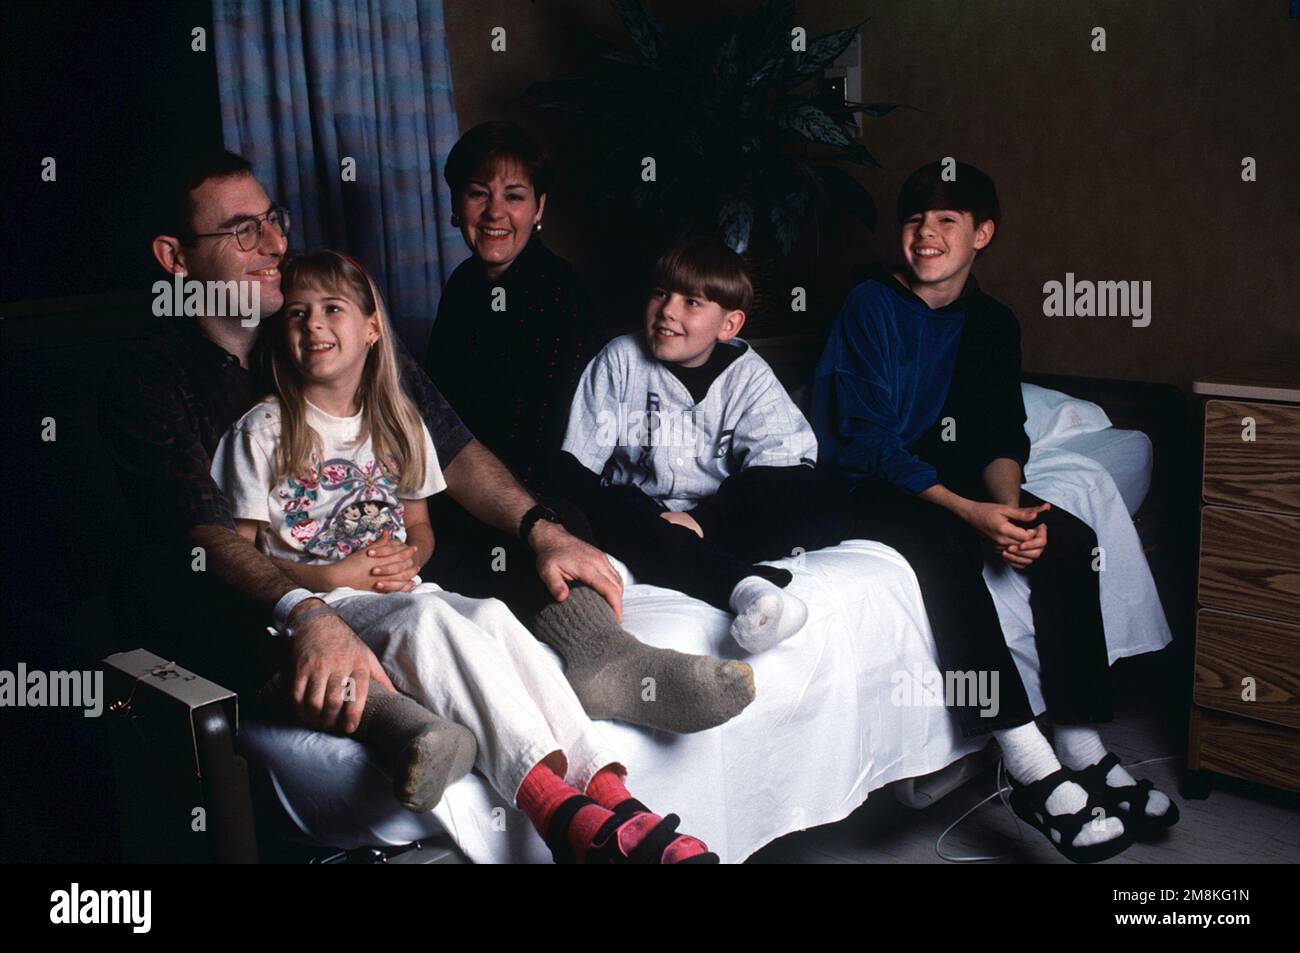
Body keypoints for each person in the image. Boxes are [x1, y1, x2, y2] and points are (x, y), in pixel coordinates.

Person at [98, 148, 623, 750]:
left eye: (275, 220)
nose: (274, 245)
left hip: (371, 555)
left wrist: (539, 529)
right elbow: (207, 534)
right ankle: (402, 728)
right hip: (254, 583)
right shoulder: (147, 378)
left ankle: (606, 656)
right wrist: (308, 609)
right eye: (245, 231)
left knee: (545, 514)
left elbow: (449, 446)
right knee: (207, 598)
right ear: (176, 257)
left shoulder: (325, 318)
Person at [213, 249, 715, 862]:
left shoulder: (398, 420)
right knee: (430, 623)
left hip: (402, 588)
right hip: (327, 605)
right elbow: (240, 554)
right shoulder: (261, 430)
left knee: (490, 619)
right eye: (296, 313)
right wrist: (329, 576)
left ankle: (616, 799)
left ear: (372, 329)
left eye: (332, 309)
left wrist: (408, 557)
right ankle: (557, 813)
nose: (312, 324)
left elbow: (421, 526)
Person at [810, 160, 1177, 862]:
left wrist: (1008, 513)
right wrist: (969, 515)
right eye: (915, 219)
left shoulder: (992, 322)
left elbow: (997, 431)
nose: (926, 234)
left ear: (983, 232)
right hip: (866, 482)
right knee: (948, 552)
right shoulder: (870, 304)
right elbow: (865, 438)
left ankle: (1083, 745)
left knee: (1066, 538)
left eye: (946, 219)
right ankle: (1031, 767)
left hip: (950, 477)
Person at [424, 122, 755, 731]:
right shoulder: (462, 289)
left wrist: (491, 499)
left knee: (543, 529)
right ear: (455, 206)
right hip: (463, 480)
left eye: (514, 195)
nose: (495, 212)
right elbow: (439, 415)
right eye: (478, 193)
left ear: (540, 208)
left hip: (543, 480)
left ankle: (608, 661)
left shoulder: (560, 291)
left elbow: (558, 446)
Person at [555, 237, 845, 654]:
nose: (667, 311)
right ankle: (744, 585)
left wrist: (702, 520)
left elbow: (783, 470)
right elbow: (576, 470)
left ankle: (672, 557)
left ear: (728, 325)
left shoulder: (749, 374)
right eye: (660, 293)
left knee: (818, 492)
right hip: (643, 514)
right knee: (602, 505)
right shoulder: (620, 359)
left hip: (718, 518)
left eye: (692, 302)